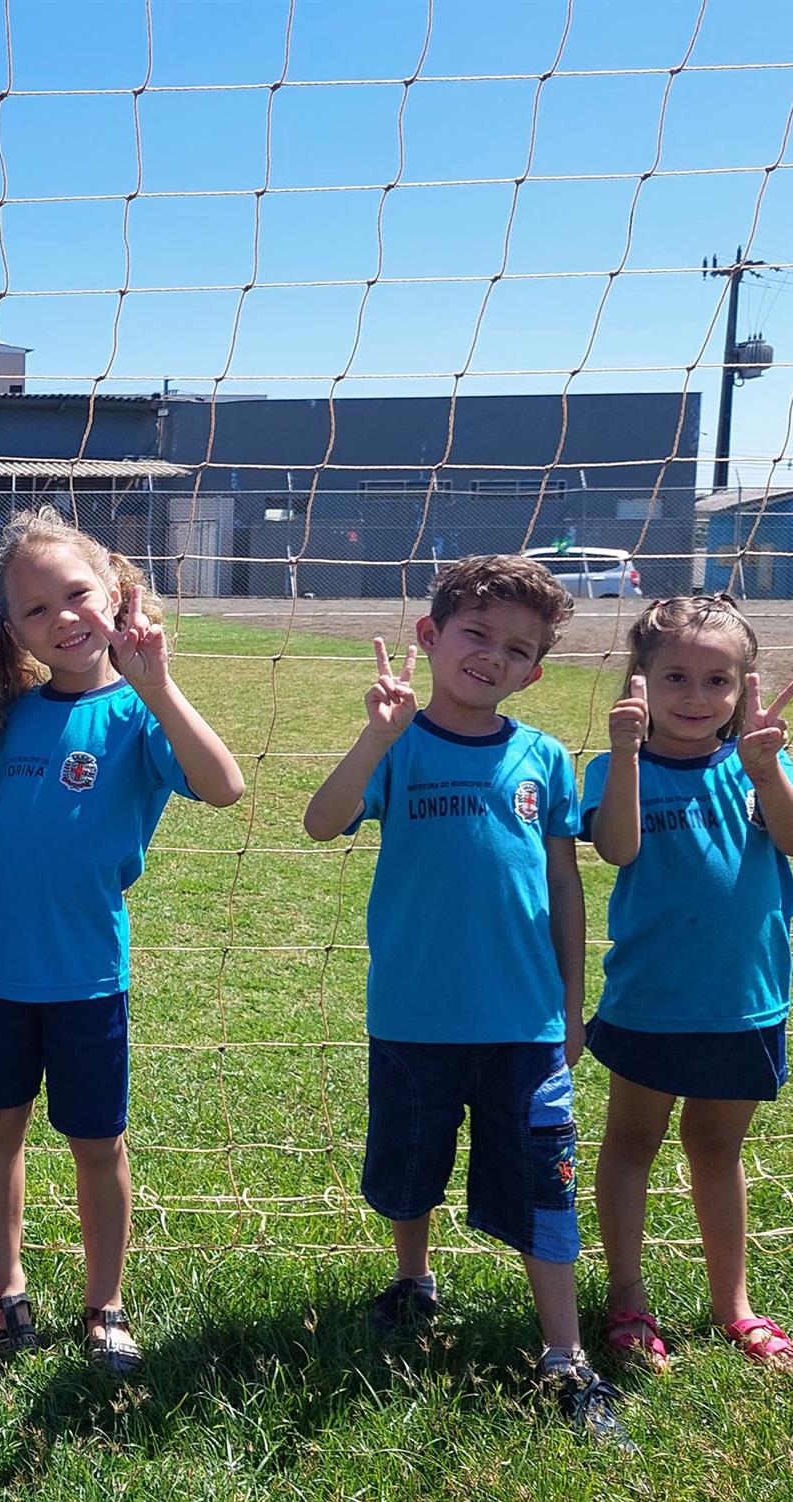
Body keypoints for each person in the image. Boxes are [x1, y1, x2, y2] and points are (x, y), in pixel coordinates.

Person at [301, 554, 629, 1448]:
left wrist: (572, 997)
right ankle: (415, 1279)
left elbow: (564, 884)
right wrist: (373, 736)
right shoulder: (398, 744)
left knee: (545, 1183)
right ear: (429, 637)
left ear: (535, 670)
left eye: (516, 649)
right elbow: (320, 822)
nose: (491, 656)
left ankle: (564, 1355)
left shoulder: (545, 759)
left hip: (524, 1022)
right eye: (475, 634)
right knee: (410, 1169)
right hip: (412, 1018)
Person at [0, 510, 241, 1376]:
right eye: (35, 611)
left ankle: (104, 1301)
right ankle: (7, 1289)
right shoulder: (23, 715)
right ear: (13, 628)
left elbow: (222, 787)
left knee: (96, 1143)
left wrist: (159, 687)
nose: (63, 618)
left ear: (114, 590)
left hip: (84, 975)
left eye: (76, 594)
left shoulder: (139, 717)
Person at [584, 597, 793, 1375]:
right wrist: (623, 758)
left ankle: (735, 1307)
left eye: (716, 679)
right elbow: (617, 849)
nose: (696, 696)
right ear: (639, 681)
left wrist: (763, 770)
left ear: (744, 685)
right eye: (675, 677)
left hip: (745, 1001)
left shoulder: (759, 759)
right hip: (650, 1000)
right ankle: (627, 1298)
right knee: (632, 1143)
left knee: (718, 1148)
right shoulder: (614, 765)